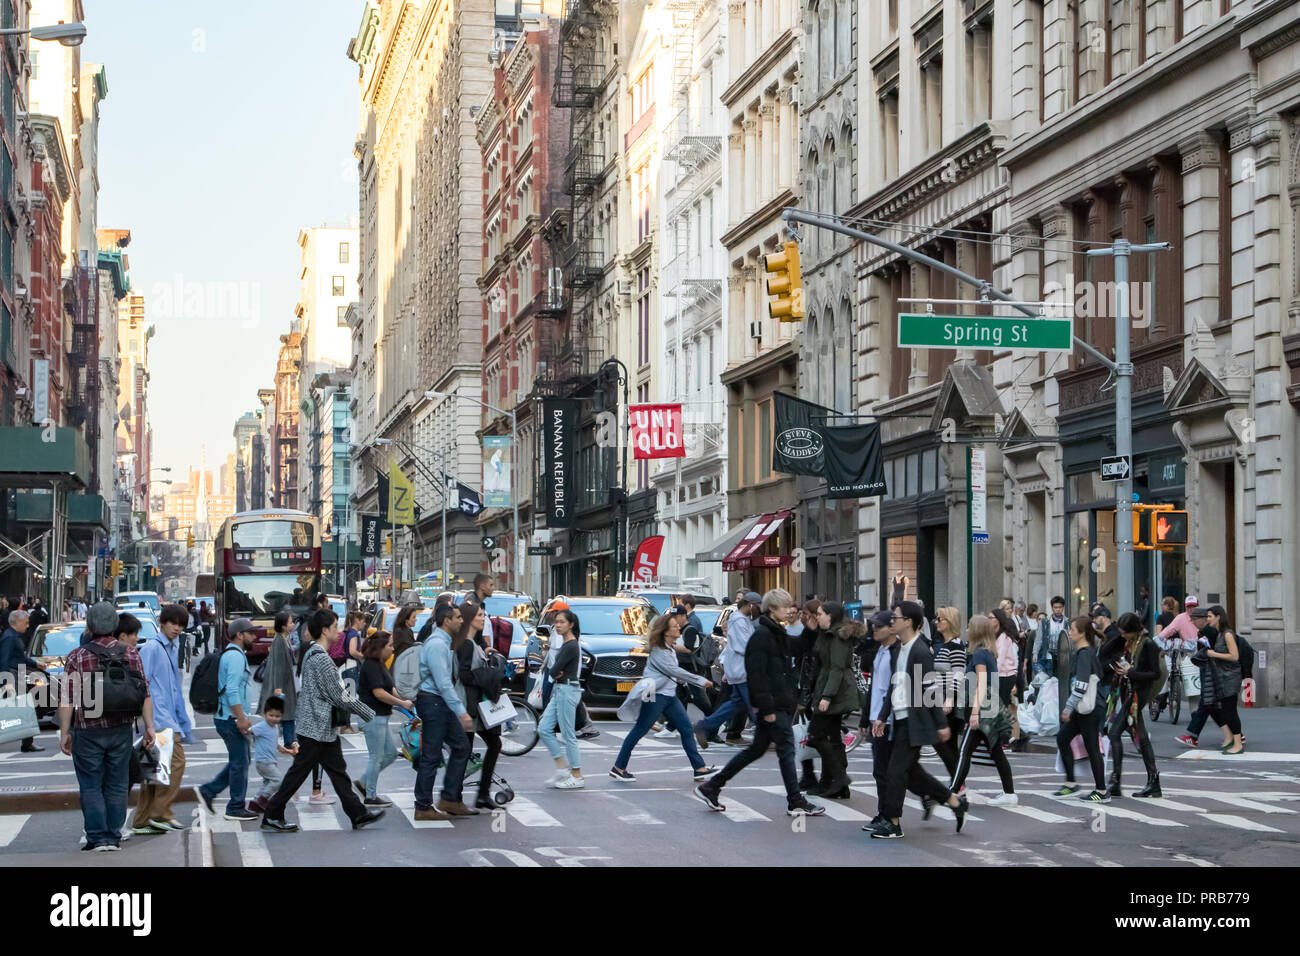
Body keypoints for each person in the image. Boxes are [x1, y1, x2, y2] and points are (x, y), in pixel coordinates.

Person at [694, 589, 826, 818]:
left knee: (757, 750)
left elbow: (796, 647)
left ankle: (712, 786)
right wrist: (766, 709)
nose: (789, 610)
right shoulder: (762, 635)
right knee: (785, 749)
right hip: (773, 705)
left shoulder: (775, 632)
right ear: (773, 608)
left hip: (778, 703)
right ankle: (794, 799)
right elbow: (756, 675)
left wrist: (811, 631)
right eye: (785, 607)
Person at [260, 608, 384, 832]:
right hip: (316, 727)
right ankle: (272, 814)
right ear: (325, 630)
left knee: (338, 772)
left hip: (321, 727)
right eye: (335, 627)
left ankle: (358, 814)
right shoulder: (321, 659)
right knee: (298, 774)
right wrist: (368, 712)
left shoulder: (313, 653)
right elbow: (339, 695)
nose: (338, 631)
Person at [863, 602, 968, 839]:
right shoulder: (900, 649)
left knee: (896, 772)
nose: (892, 622)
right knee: (911, 774)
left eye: (896, 618)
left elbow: (930, 691)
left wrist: (941, 724)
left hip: (915, 723)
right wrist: (882, 716)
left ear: (908, 622)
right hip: (899, 720)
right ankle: (954, 802)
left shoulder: (920, 651)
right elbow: (894, 685)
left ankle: (893, 822)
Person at [58, 602, 155, 851]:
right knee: (117, 784)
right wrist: (149, 728)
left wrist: (65, 732)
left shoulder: (77, 656)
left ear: (89, 625)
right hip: (121, 728)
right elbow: (144, 693)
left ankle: (97, 837)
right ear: (114, 626)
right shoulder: (131, 653)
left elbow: (67, 699)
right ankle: (113, 835)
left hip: (87, 730)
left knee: (90, 784)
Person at [610, 610, 716, 782]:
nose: (679, 628)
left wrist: (686, 683)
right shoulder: (660, 650)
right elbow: (673, 670)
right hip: (653, 692)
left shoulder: (669, 648)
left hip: (668, 695)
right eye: (675, 626)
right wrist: (699, 680)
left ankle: (699, 768)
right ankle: (619, 767)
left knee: (686, 729)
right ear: (666, 631)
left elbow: (672, 675)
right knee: (640, 729)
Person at [131, 605, 195, 833]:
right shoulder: (152, 649)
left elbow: (173, 689)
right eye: (173, 623)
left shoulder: (171, 647)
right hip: (158, 719)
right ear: (163, 622)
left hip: (166, 717)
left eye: (181, 624)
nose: (177, 628)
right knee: (176, 763)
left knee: (154, 769)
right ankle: (160, 813)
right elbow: (141, 683)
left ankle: (142, 820)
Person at [411, 603, 478, 819]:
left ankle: (450, 798)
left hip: (439, 703)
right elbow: (443, 683)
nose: (461, 620)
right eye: (458, 617)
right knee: (431, 755)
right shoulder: (438, 644)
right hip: (434, 702)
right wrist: (462, 711)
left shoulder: (443, 642)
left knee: (461, 746)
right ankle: (423, 806)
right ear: (446, 620)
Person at [197, 618, 261, 821]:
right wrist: (240, 718)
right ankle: (234, 806)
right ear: (239, 635)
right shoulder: (235, 657)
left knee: (240, 761)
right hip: (229, 718)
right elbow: (232, 689)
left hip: (228, 717)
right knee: (240, 762)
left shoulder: (235, 655)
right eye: (251, 633)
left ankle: (209, 792)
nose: (254, 636)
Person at [949, 615, 1016, 805]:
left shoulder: (979, 654)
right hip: (990, 707)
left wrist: (975, 712)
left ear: (977, 631)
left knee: (964, 751)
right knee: (995, 752)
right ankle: (1009, 793)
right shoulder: (988, 653)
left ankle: (952, 791)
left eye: (970, 627)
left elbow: (982, 683)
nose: (967, 630)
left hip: (983, 709)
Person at [1098, 612, 1162, 797]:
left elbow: (1155, 674)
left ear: (1134, 631)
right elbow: (1104, 653)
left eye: (1125, 633)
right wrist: (1120, 637)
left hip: (1138, 694)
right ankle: (1153, 781)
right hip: (1127, 691)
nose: (1123, 636)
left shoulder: (1148, 644)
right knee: (1141, 737)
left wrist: (1131, 672)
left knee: (1114, 732)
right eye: (1121, 632)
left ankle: (1116, 781)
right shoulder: (1127, 641)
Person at [804, 601, 862, 799]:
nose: (817, 616)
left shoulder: (838, 637)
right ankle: (833, 783)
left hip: (836, 693)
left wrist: (826, 696)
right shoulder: (826, 634)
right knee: (833, 738)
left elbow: (836, 669)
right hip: (828, 689)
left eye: (820, 614)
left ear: (831, 616)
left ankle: (839, 779)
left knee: (816, 735)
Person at [692, 591, 759, 748]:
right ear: (750, 605)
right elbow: (743, 646)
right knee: (752, 702)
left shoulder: (740, 620)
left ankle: (704, 725)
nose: (759, 610)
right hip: (741, 670)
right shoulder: (739, 621)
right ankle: (767, 735)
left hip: (738, 670)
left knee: (737, 703)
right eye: (757, 606)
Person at [455, 603, 506, 809]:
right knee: (471, 749)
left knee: (479, 747)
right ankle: (470, 795)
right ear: (468, 619)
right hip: (471, 704)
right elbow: (464, 674)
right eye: (479, 615)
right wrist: (488, 674)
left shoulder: (471, 642)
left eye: (484, 614)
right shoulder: (466, 644)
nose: (483, 618)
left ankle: (475, 794)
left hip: (475, 704)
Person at [1054, 616, 1109, 802]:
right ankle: (1071, 783)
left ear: (1082, 633)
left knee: (1092, 747)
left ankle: (1101, 791)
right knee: (1063, 738)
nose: (1069, 632)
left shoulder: (1085, 653)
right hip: (1085, 707)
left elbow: (1081, 685)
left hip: (1090, 708)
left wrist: (1068, 707)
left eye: (1072, 630)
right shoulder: (1086, 652)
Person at [356, 631, 412, 807]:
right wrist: (401, 703)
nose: (392, 649)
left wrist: (405, 698)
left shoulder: (380, 664)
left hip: (381, 716)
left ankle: (364, 782)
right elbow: (379, 692)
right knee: (377, 757)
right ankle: (370, 796)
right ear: (379, 648)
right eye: (389, 646)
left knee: (389, 754)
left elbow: (389, 688)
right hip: (372, 716)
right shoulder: (371, 665)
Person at [538, 609, 586, 789]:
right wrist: (557, 672)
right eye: (556, 622)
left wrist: (557, 672)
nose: (557, 625)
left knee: (568, 735)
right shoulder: (567, 645)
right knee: (543, 728)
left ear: (571, 625)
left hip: (567, 690)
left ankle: (576, 775)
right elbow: (555, 671)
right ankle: (561, 767)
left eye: (561, 622)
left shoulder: (571, 645)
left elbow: (553, 670)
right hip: (561, 689)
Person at [858, 609, 898, 831]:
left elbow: (893, 688)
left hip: (888, 720)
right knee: (879, 770)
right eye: (872, 625)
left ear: (891, 628)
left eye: (878, 626)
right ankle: (883, 813)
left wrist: (882, 716)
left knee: (887, 771)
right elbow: (873, 688)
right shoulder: (879, 651)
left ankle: (888, 816)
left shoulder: (895, 652)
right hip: (876, 718)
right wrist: (865, 718)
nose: (874, 629)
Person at [1197, 605, 1244, 755]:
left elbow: (1234, 656)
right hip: (1223, 677)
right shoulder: (1219, 634)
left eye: (1210, 616)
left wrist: (1213, 654)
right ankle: (1232, 740)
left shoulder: (1228, 634)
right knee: (1224, 711)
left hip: (1230, 678)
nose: (1208, 619)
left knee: (1230, 712)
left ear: (1218, 617)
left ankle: (1238, 744)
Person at [931, 606, 967, 780]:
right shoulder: (945, 646)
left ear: (950, 622)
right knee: (950, 746)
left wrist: (950, 699)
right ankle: (957, 784)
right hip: (942, 698)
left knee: (940, 741)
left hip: (950, 700)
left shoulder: (956, 646)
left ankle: (957, 782)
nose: (937, 622)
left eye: (940, 619)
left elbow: (958, 674)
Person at [0, 608, 43, 752]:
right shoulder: (9, 638)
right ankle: (27, 743)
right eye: (25, 622)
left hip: (15, 675)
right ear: (16, 622)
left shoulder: (13, 636)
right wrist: (8, 683)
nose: (27, 625)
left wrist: (35, 664)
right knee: (24, 709)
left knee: (24, 709)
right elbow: (4, 661)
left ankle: (27, 742)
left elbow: (19, 658)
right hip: (12, 677)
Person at [247, 697, 296, 814]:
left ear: (282, 716)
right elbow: (249, 730)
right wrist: (251, 740)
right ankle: (263, 799)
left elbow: (273, 741)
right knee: (278, 780)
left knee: (268, 782)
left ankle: (255, 804)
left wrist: (281, 748)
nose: (274, 719)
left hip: (270, 760)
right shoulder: (262, 726)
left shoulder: (275, 727)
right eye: (271, 715)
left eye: (277, 716)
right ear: (264, 714)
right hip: (263, 761)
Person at [259, 610, 299, 747]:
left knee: (284, 713)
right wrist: (278, 687)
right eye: (290, 622)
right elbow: (278, 665)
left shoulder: (284, 639)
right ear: (283, 626)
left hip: (285, 683)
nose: (293, 624)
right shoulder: (279, 641)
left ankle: (289, 740)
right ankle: (289, 741)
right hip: (282, 684)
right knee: (284, 713)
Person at [1035, 596, 1068, 677]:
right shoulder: (1045, 622)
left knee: (1062, 680)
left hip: (1063, 657)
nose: (1058, 609)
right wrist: (1035, 653)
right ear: (1052, 608)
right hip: (1049, 656)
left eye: (1060, 607)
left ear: (1063, 608)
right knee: (1049, 679)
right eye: (1055, 607)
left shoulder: (1067, 622)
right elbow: (1038, 639)